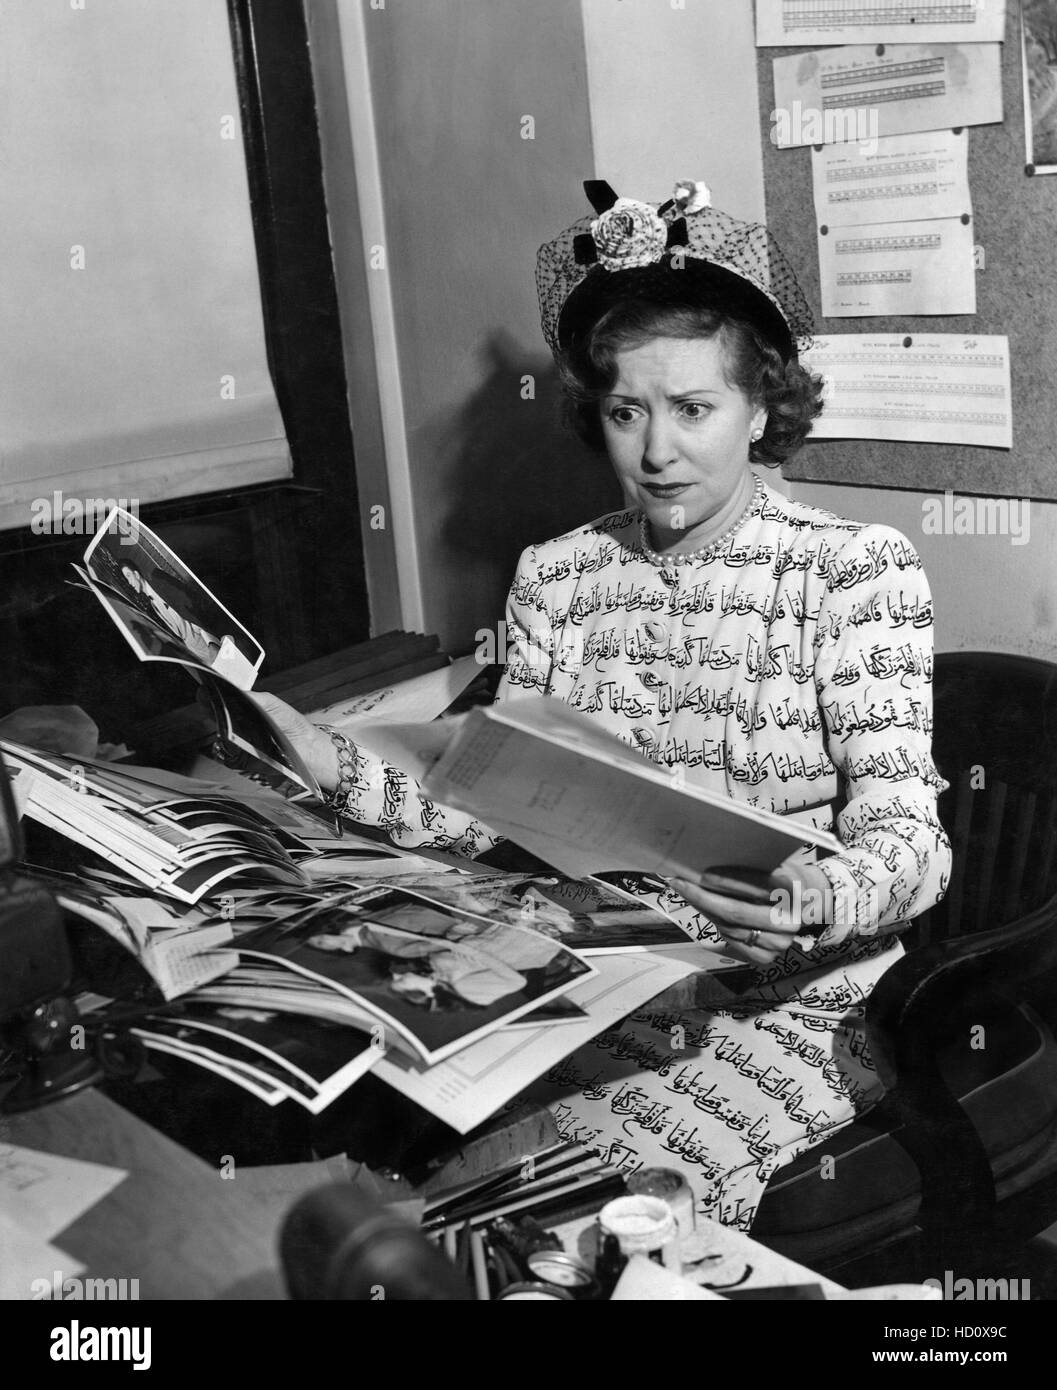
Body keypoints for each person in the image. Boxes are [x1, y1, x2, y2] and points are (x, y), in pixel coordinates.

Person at [255, 179, 951, 1230]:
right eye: (628, 411)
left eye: (694, 409)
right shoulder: (558, 573)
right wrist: (324, 759)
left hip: (790, 1001)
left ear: (761, 408)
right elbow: (493, 812)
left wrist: (812, 896)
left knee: (584, 1224)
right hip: (593, 967)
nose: (657, 451)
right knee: (392, 1161)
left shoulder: (854, 570)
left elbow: (913, 843)